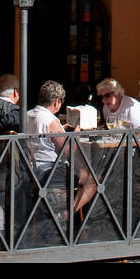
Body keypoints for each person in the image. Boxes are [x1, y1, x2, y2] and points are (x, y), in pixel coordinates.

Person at [25, 80, 95, 214]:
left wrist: (61, 129)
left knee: (82, 171)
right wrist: (77, 134)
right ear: (57, 101)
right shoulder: (50, 120)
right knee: (93, 180)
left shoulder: (28, 114)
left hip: (31, 170)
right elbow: (68, 151)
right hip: (50, 172)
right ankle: (67, 215)